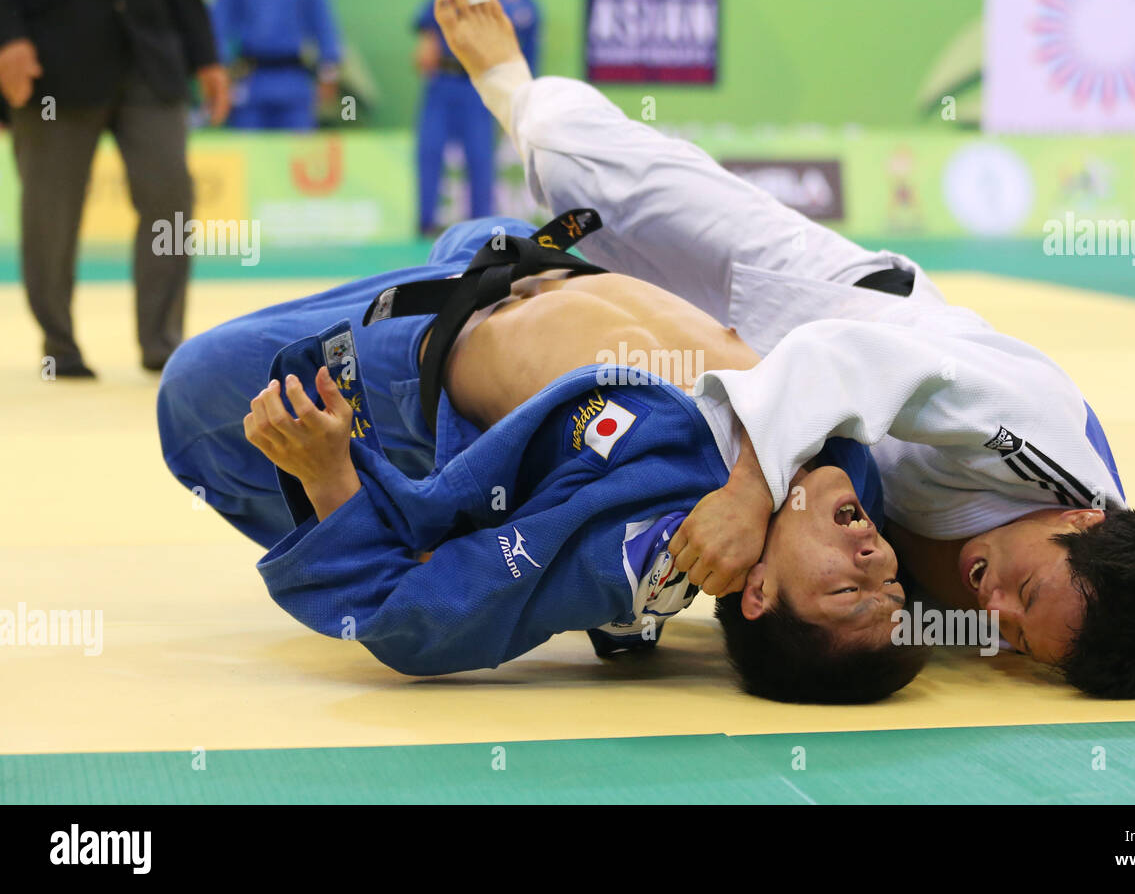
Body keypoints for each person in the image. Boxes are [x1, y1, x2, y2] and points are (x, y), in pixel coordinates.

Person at [433, 0, 1135, 699]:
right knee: (602, 185)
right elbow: (837, 359)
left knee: (602, 377)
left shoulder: (1062, 615)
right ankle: (513, 85)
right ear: (1082, 522)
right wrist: (749, 498)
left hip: (812, 439)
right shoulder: (1034, 431)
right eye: (1023, 594)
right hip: (828, 307)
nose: (995, 612)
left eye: (1022, 640)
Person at [157, 213, 926, 703]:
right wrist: (752, 493)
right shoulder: (837, 470)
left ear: (755, 592)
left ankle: (394, 512)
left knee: (189, 398)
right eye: (889, 581)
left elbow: (414, 626)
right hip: (525, 259)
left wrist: (328, 475)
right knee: (472, 228)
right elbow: (852, 347)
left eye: (850, 592)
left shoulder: (631, 549)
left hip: (424, 358)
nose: (873, 556)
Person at [0, 0, 229, 377]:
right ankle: (59, 346)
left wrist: (207, 57)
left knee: (170, 198)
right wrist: (8, 39)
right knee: (51, 212)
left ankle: (162, 343)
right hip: (50, 70)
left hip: (149, 62)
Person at [411, 0, 546, 234]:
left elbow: (527, 63)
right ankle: (424, 225)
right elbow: (440, 2)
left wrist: (520, 105)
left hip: (484, 89)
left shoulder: (529, 10)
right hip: (445, 78)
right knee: (430, 150)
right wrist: (427, 39)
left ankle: (479, 230)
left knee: (481, 157)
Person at [211, 0, 342, 130]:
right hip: (250, 80)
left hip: (294, 82)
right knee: (250, 151)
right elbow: (218, 24)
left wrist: (329, 70)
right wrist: (219, 70)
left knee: (297, 152)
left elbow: (323, 22)